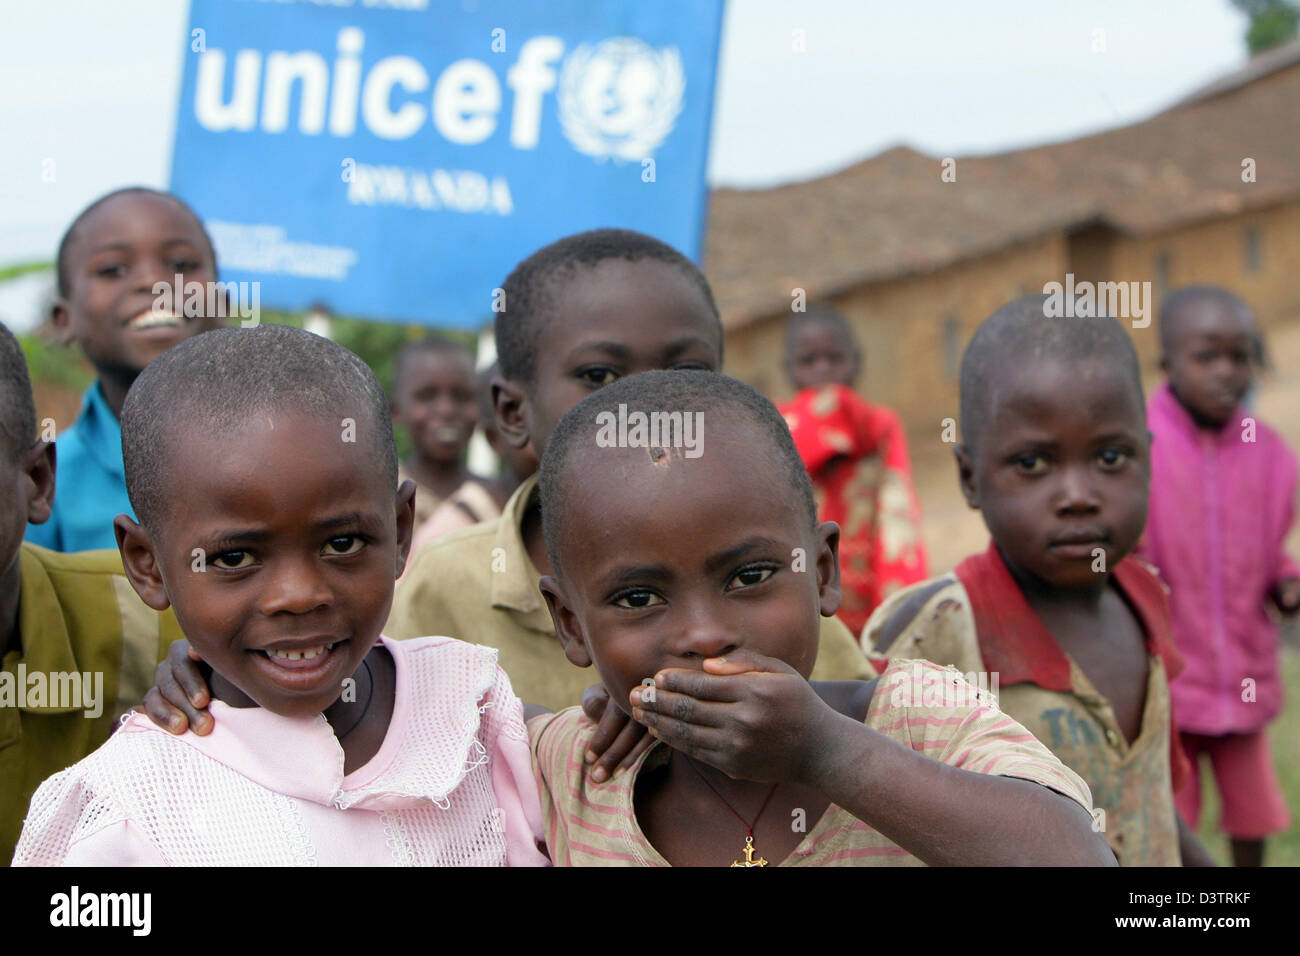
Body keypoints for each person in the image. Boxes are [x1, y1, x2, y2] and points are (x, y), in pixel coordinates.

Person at [13, 325, 548, 866]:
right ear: (147, 566)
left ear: (401, 531)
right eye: (234, 558)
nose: (298, 595)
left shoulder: (476, 715)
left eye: (342, 543)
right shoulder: (125, 811)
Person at [529, 370, 1112, 866]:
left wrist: (827, 753)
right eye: (637, 599)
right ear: (572, 624)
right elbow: (447, 700)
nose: (703, 633)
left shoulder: (915, 723)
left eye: (750, 577)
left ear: (822, 571)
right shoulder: (576, 775)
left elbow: (1081, 858)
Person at [384, 230, 871, 713]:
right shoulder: (444, 587)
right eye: (598, 377)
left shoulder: (770, 577)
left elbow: (853, 728)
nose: (646, 408)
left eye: (687, 376)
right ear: (513, 412)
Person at [865, 295, 1215, 866]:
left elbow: (1147, 793)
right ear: (971, 478)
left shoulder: (1146, 596)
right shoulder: (931, 635)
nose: (1077, 496)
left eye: (1110, 457)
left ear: (1148, 460)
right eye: (1033, 464)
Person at [1140, 286, 1299, 866]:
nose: (1226, 372)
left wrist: (1286, 583)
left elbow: (1269, 551)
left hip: (1243, 671)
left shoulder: (1271, 455)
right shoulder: (1138, 449)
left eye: (1240, 356)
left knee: (1252, 814)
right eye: (1207, 357)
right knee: (1170, 823)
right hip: (1169, 681)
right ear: (1169, 363)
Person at [25, 187, 225, 552]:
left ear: (223, 301)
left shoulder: (294, 452)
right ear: (63, 320)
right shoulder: (44, 486)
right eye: (112, 269)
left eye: (181, 265)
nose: (154, 282)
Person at [779, 305, 927, 636]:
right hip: (803, 609)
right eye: (808, 361)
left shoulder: (879, 429)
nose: (823, 371)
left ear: (856, 362)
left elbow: (898, 521)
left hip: (866, 606)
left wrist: (896, 615)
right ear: (789, 370)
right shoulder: (775, 431)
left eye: (835, 359)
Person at [406, 362, 538, 555]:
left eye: (462, 397)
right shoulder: (451, 533)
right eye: (522, 418)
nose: (446, 410)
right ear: (494, 438)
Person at [390, 334, 486, 533]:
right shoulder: (383, 494)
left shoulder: (492, 500)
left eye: (462, 396)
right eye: (427, 396)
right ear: (396, 410)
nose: (446, 410)